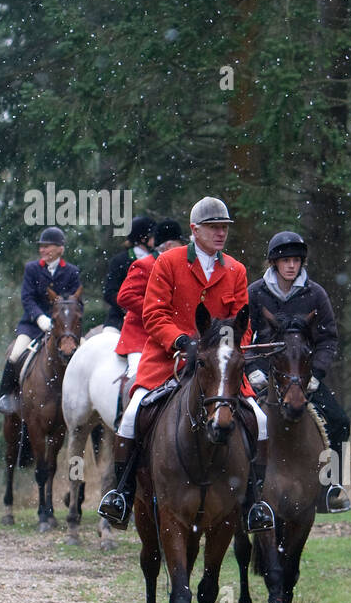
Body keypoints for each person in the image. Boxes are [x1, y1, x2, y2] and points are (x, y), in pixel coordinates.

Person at [98, 197, 272, 531]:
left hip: (219, 367)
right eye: (213, 228)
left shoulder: (235, 269)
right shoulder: (169, 262)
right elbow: (153, 312)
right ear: (195, 230)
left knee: (260, 420)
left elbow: (244, 323)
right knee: (132, 416)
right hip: (168, 359)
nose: (221, 233)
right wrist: (180, 341)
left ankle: (254, 503)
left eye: (224, 228)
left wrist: (230, 350)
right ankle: (121, 495)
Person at [247, 230, 351, 513]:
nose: (291, 265)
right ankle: (239, 486)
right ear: (274, 263)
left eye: (296, 260)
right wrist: (252, 369)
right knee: (237, 423)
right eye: (285, 260)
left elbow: (328, 338)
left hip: (303, 377)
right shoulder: (255, 293)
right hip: (264, 376)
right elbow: (243, 335)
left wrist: (316, 373)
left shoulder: (315, 294)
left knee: (340, 421)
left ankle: (332, 487)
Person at [0, 226, 81, 414]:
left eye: (47, 246)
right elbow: (27, 298)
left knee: (86, 353)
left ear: (60, 248)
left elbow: (75, 301)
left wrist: (61, 319)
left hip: (64, 327)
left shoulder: (72, 271)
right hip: (33, 324)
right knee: (15, 355)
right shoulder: (32, 269)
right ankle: (6, 396)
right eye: (41, 247)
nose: (42, 250)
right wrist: (40, 317)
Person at [114, 219, 185, 385]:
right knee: (136, 376)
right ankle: (125, 410)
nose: (184, 249)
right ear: (168, 246)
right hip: (140, 334)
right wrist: (156, 308)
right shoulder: (144, 265)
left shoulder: (181, 267)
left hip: (169, 333)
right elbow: (124, 296)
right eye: (180, 244)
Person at [102, 215, 155, 329]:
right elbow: (109, 293)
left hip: (153, 315)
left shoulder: (159, 258)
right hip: (120, 317)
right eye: (152, 237)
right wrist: (129, 307)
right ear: (143, 239)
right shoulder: (120, 260)